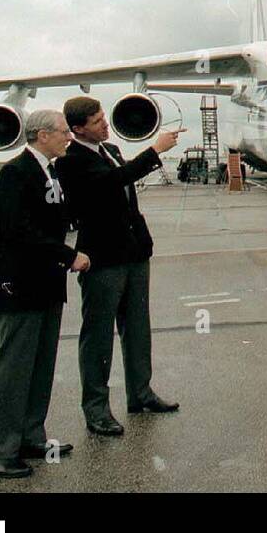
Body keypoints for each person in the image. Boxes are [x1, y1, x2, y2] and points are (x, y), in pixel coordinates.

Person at [58, 96, 181, 437]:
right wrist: (155, 151)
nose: (105, 125)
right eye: (98, 122)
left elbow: (125, 188)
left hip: (134, 253)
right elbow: (111, 184)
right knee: (98, 337)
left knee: (138, 327)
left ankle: (140, 393)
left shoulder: (109, 150)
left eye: (103, 118)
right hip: (102, 259)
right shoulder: (71, 160)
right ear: (78, 128)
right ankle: (96, 409)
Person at [0, 110, 90, 479]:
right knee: (13, 369)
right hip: (19, 286)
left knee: (40, 365)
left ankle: (29, 437)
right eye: (62, 132)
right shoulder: (15, 173)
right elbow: (19, 231)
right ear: (42, 135)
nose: (68, 138)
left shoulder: (51, 171)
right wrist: (68, 255)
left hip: (45, 284)